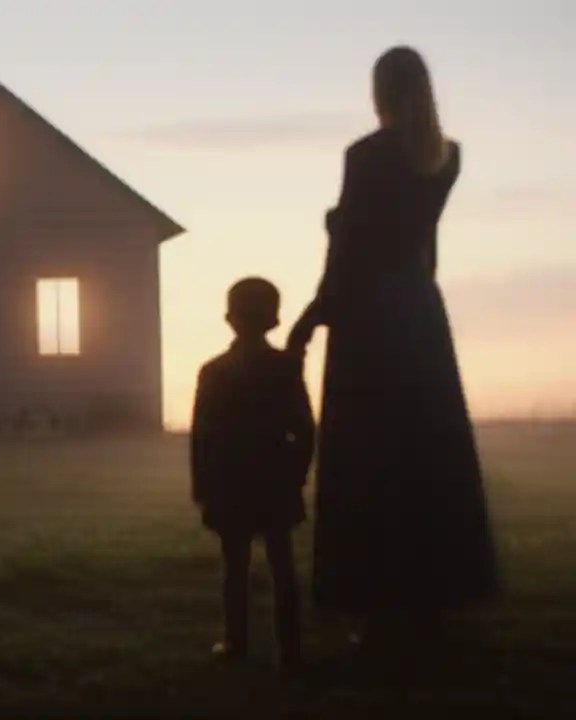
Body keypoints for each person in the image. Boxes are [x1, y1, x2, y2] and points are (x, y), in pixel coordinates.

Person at [286, 47, 497, 647]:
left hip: (371, 323)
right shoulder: (445, 158)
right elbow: (414, 242)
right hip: (420, 315)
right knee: (424, 457)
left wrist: (311, 318)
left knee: (370, 461)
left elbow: (350, 249)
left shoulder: (367, 155)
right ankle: (429, 600)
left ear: (380, 91)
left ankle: (377, 606)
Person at [192, 278, 315, 672]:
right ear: (274, 319)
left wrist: (203, 485)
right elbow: (305, 428)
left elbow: (203, 436)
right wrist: (296, 474)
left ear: (230, 318)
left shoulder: (213, 372)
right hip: (276, 480)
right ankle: (290, 649)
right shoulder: (286, 368)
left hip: (230, 483)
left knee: (235, 567)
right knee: (283, 565)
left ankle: (237, 641)